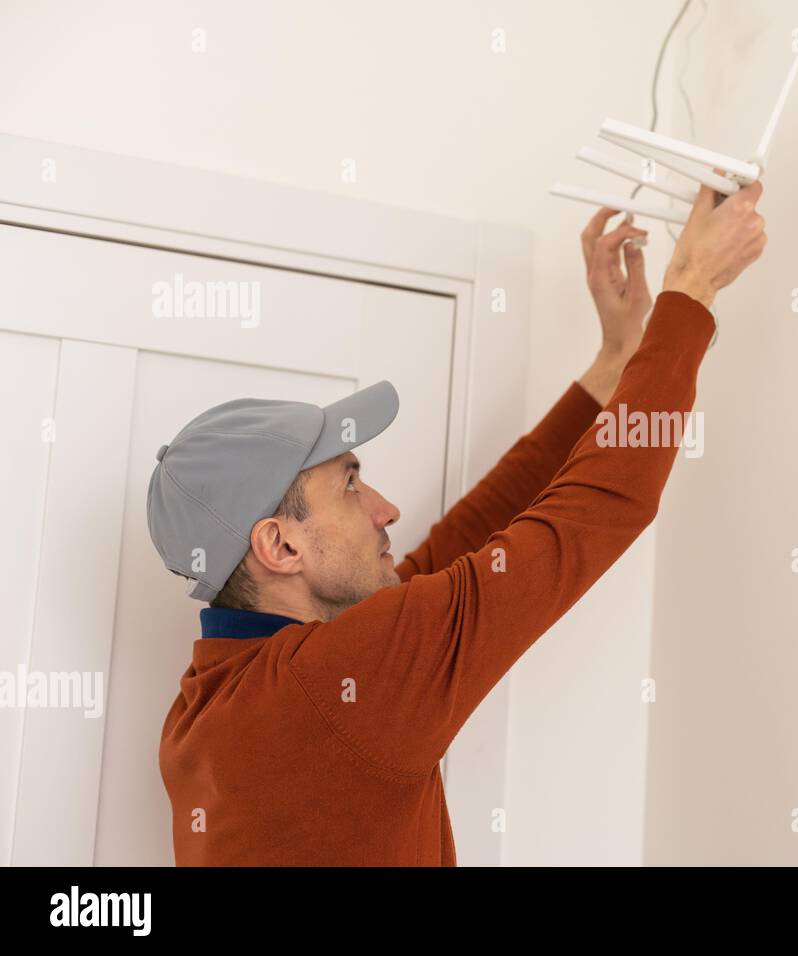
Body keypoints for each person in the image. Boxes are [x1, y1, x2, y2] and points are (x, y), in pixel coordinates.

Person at [149, 180, 766, 865]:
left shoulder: (209, 704)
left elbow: (463, 553)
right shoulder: (337, 682)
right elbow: (598, 508)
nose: (387, 509)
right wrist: (690, 290)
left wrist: (615, 364)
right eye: (350, 485)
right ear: (280, 543)